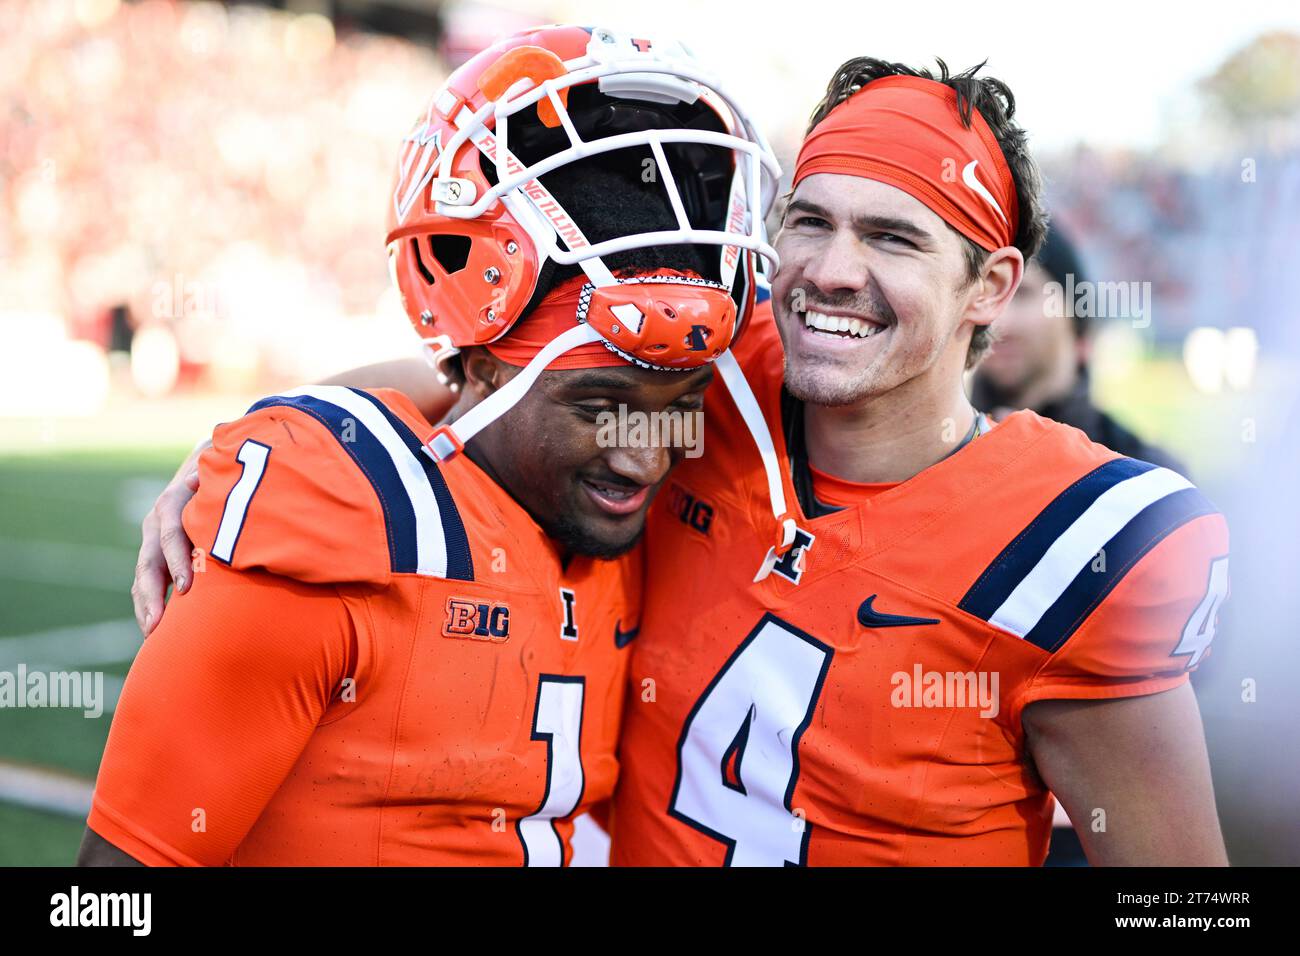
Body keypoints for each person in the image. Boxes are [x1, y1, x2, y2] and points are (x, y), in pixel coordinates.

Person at [134, 56, 1230, 867]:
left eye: (893, 238)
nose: (831, 271)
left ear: (989, 285)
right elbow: (493, 373)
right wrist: (255, 440)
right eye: (810, 222)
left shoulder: (1070, 541)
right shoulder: (711, 384)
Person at [81, 24, 779, 866]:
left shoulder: (621, 500)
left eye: (681, 406)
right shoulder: (339, 513)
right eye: (599, 404)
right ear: (479, 358)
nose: (644, 456)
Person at [971, 222, 1188, 474]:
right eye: (990, 293)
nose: (999, 321)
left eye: (1022, 294)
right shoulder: (936, 455)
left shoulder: (1145, 477)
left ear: (1079, 329)